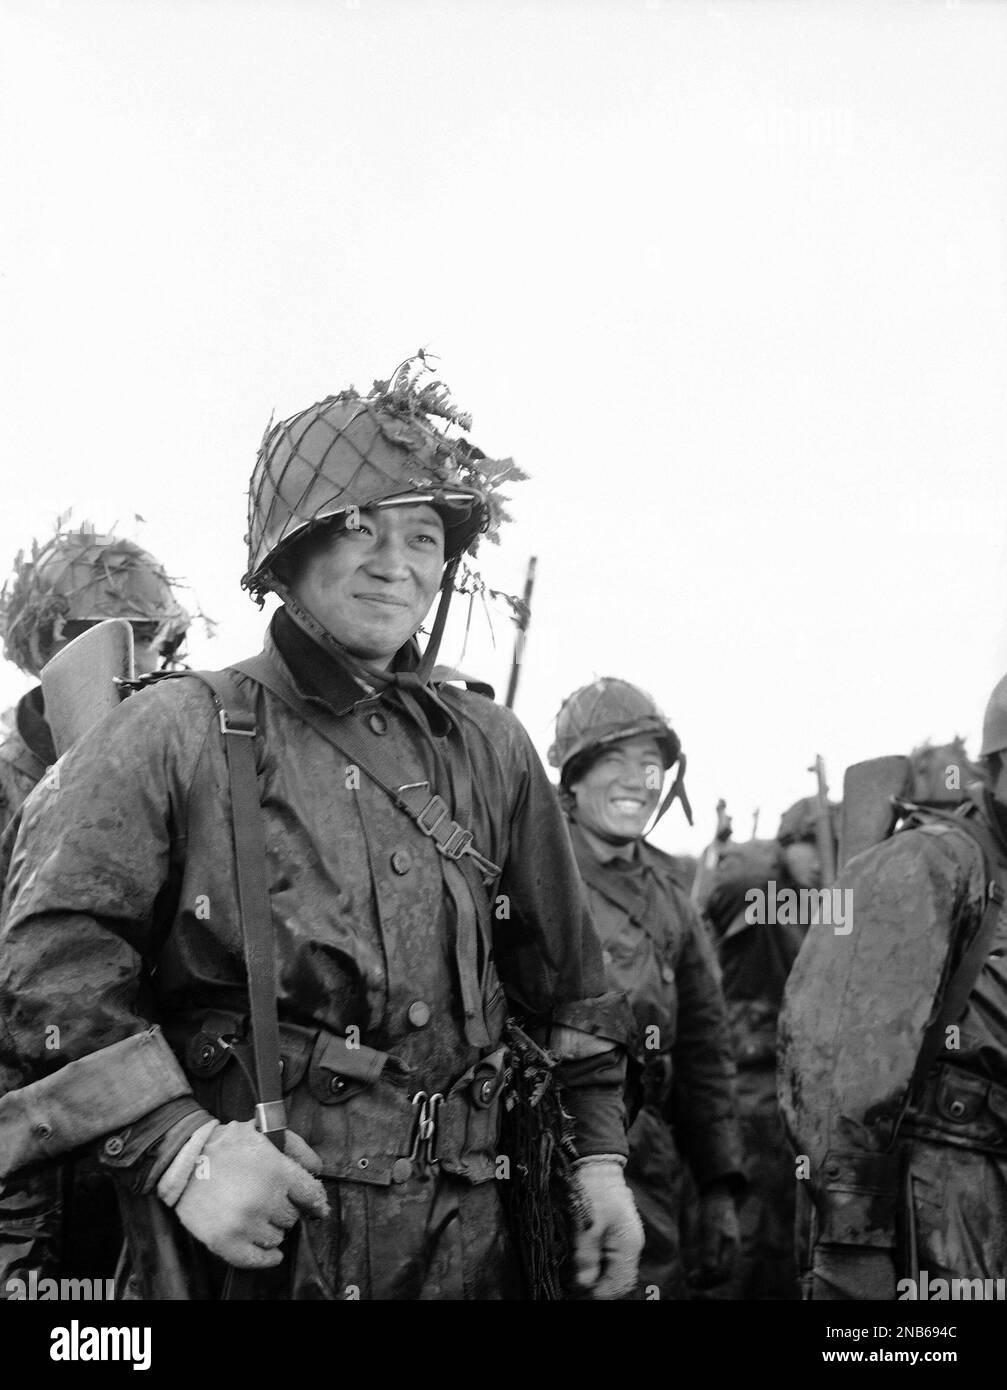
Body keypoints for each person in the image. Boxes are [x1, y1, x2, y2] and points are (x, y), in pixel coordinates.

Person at [0, 359, 642, 1301]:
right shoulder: (176, 729)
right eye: (358, 529)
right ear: (287, 555)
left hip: (474, 1248)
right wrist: (181, 1151)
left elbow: (567, 990)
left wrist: (597, 1162)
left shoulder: (493, 747)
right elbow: (52, 963)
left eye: (423, 535)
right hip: (263, 1248)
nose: (396, 562)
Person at [0, 523, 190, 1293]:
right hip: (25, 1172)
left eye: (163, 641)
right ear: (53, 638)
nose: (151, 663)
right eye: (130, 636)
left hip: (148, 1146)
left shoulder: (169, 776)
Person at [778, 686, 1007, 1299]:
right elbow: (833, 1063)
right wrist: (852, 1249)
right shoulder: (931, 865)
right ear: (999, 766)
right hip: (938, 1212)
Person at [548, 676, 743, 1299]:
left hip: (653, 1162)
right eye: (614, 759)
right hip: (547, 1148)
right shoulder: (530, 872)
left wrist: (718, 1186)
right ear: (573, 777)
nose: (639, 779)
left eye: (652, 763)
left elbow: (704, 1054)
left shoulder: (672, 895)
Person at [701, 796, 838, 1299]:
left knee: (784, 1231)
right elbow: (737, 881)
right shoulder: (761, 884)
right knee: (747, 1226)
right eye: (810, 847)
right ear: (786, 846)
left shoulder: (814, 902)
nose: (821, 861)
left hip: (796, 1085)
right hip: (748, 1076)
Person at [0, 524, 190, 837]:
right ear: (40, 647)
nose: (132, 659)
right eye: (99, 634)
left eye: (144, 638)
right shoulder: (6, 784)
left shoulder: (189, 769)